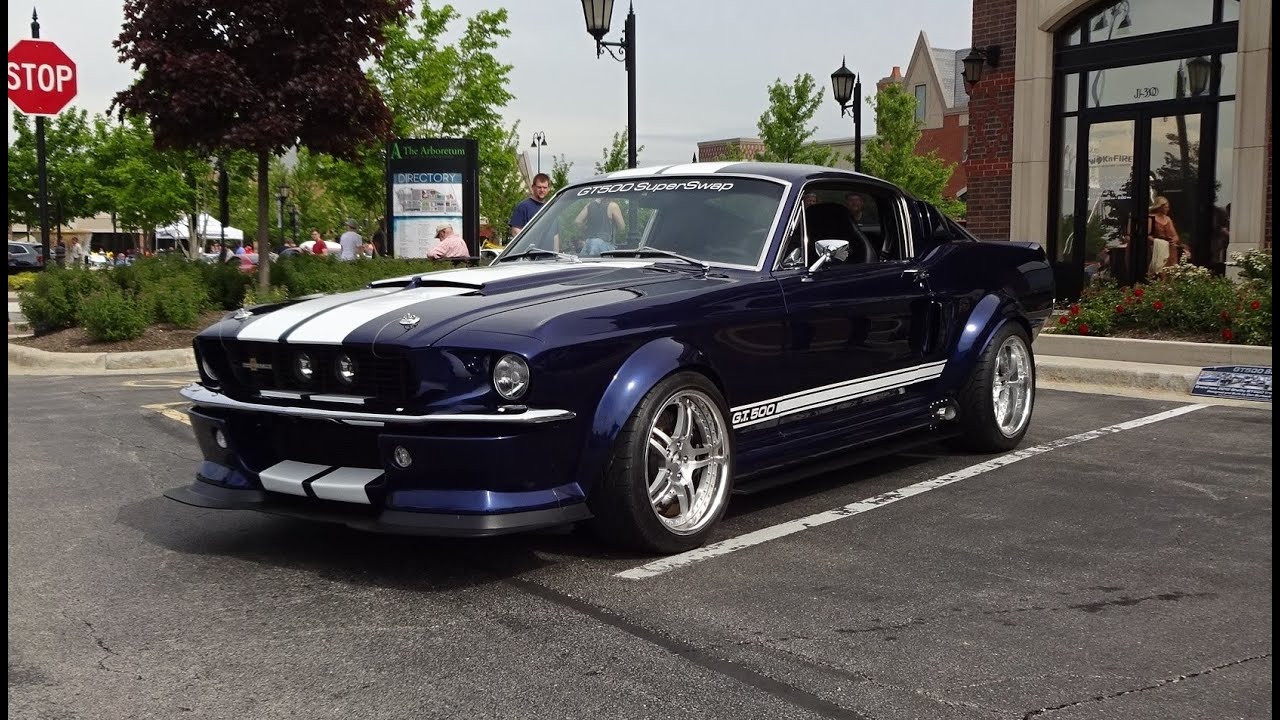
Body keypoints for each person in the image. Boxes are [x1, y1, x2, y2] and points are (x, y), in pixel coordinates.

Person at [1147, 196, 1182, 275]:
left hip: (1170, 248)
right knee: (1159, 271)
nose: (1168, 209)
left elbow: (1175, 236)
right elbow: (1148, 235)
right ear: (1160, 207)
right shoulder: (1151, 218)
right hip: (1158, 249)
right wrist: (1158, 242)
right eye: (1166, 207)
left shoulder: (1168, 219)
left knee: (1171, 271)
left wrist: (1174, 240)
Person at [509, 173, 552, 238]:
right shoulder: (523, 207)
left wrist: (556, 248)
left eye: (545, 187)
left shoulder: (551, 208)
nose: (542, 190)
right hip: (530, 248)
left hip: (547, 248)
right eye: (539, 187)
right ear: (533, 187)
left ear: (548, 189)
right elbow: (515, 232)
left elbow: (555, 235)